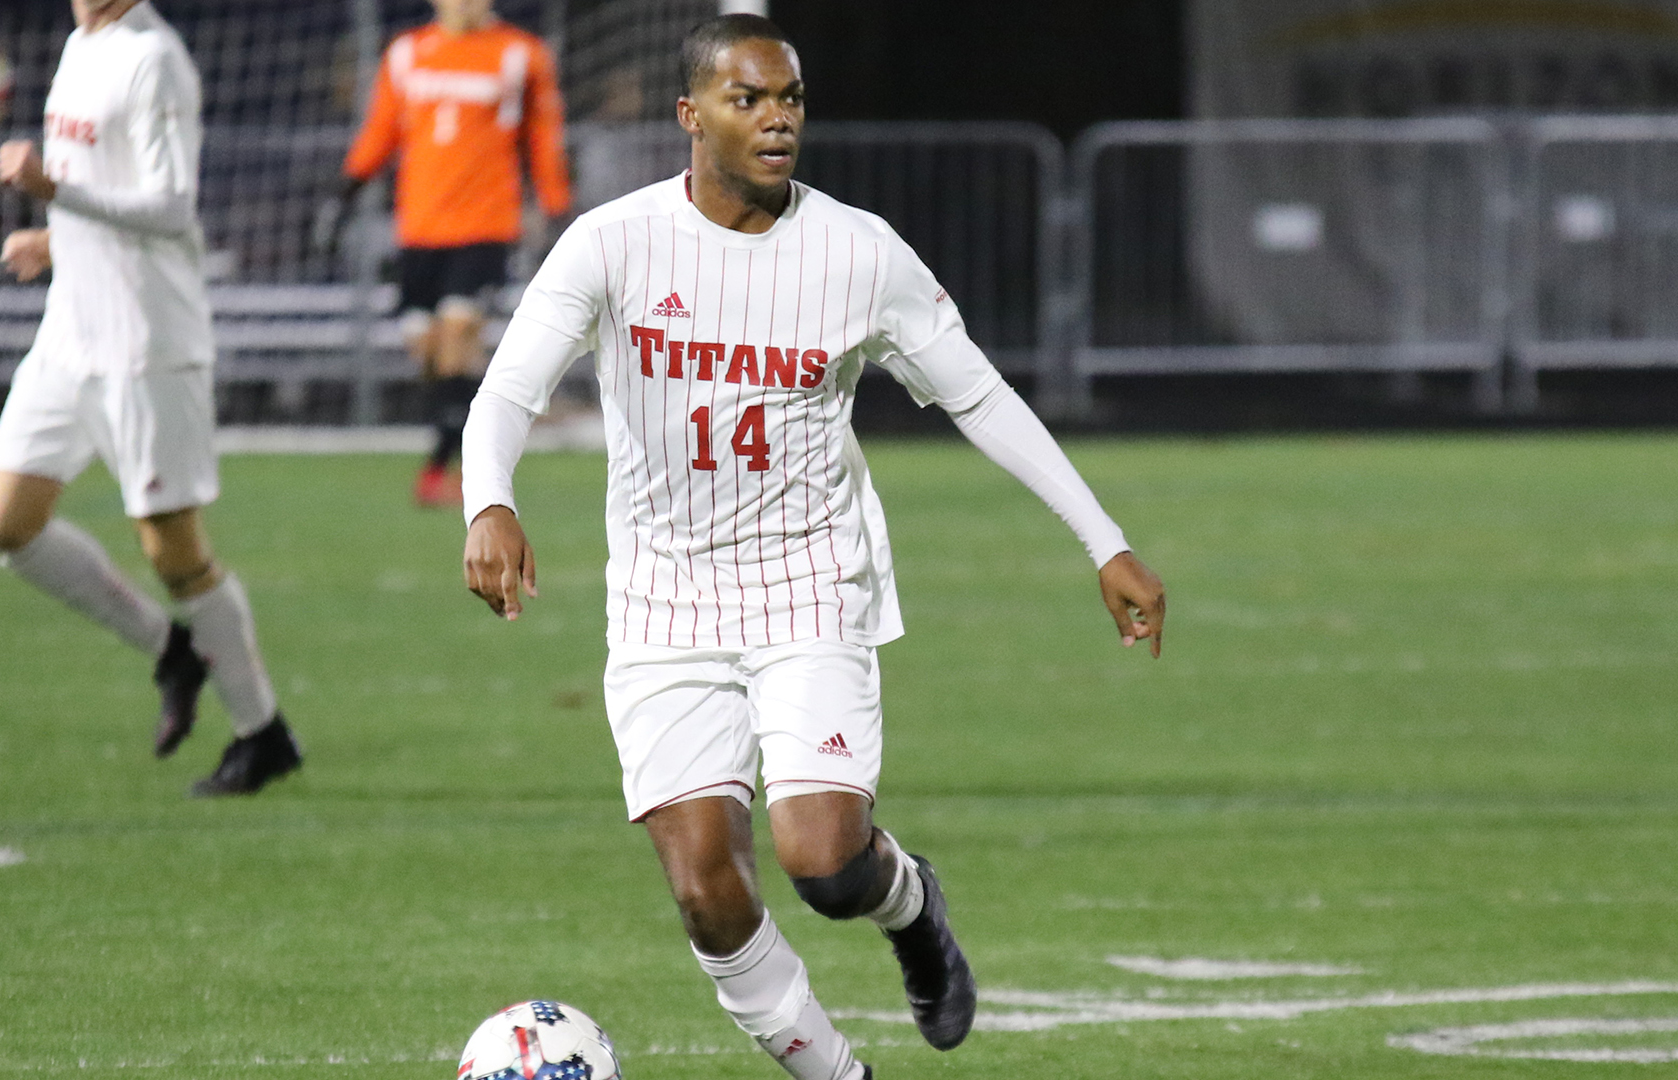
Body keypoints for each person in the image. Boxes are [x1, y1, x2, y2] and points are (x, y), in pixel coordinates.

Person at [460, 15, 1167, 1080]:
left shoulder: (858, 250)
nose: (778, 120)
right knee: (706, 888)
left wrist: (1103, 540)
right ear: (691, 116)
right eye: (749, 100)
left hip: (807, 584)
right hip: (662, 598)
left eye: (790, 99)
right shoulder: (613, 242)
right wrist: (489, 501)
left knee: (822, 863)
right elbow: (508, 387)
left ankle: (911, 905)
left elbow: (978, 392)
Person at [0, 0, 301, 797]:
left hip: (145, 346)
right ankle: (171, 652)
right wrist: (55, 240)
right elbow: (104, 189)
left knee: (174, 552)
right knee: (9, 527)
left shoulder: (154, 59)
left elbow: (170, 207)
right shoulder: (80, 44)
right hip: (69, 335)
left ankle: (263, 734)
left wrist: (51, 190)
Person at [330, 0, 571, 507]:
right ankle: (500, 414)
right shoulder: (406, 53)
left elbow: (543, 138)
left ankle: (441, 469)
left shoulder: (520, 54)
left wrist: (556, 209)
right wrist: (344, 196)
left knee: (459, 331)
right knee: (428, 348)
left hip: (485, 223)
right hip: (418, 228)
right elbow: (382, 129)